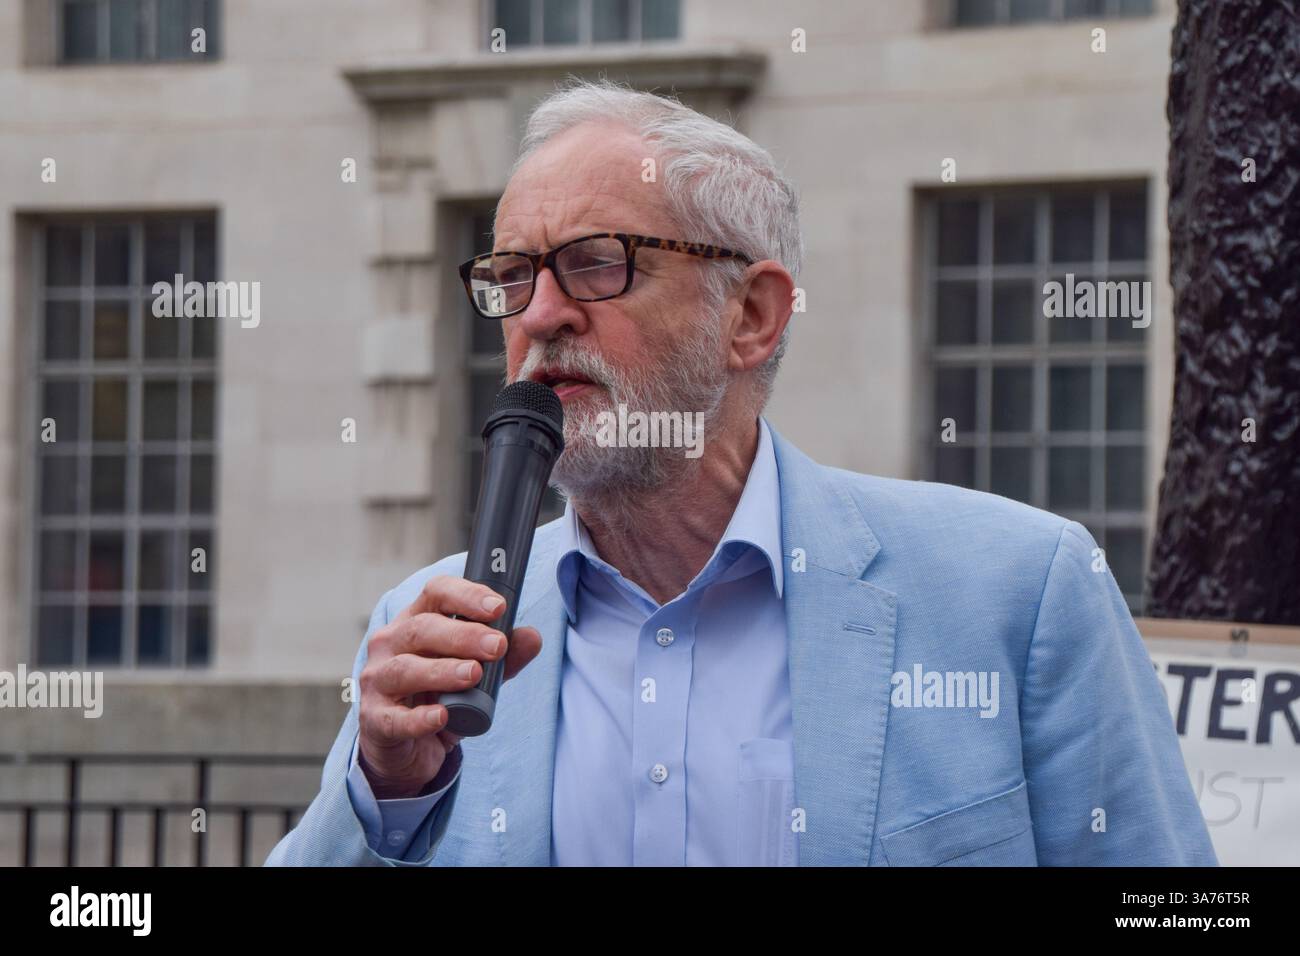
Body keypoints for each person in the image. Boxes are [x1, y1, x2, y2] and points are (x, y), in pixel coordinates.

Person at [267, 79, 1215, 867]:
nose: (540, 314)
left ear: (752, 316)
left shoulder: (1022, 590)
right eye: (513, 275)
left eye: (595, 265)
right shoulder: (429, 636)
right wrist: (385, 792)